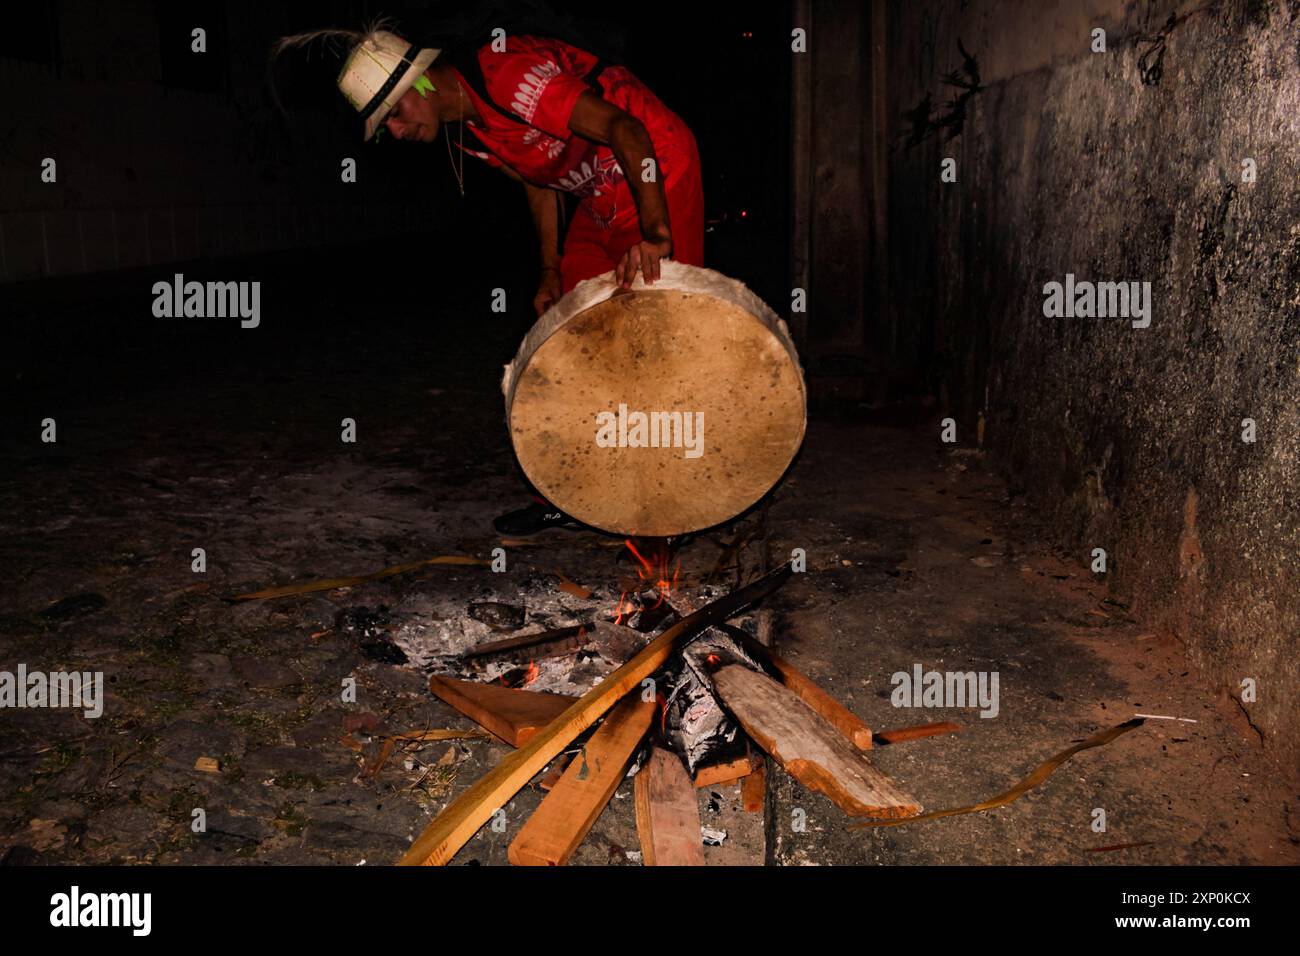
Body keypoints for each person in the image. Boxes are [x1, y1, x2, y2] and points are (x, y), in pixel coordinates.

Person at [285, 25, 705, 533]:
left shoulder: (505, 74)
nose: (394, 133)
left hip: (652, 162)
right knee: (567, 336)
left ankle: (673, 512)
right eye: (382, 127)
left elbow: (625, 129)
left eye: (392, 114)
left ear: (417, 84)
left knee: (652, 335)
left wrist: (659, 233)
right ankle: (569, 494)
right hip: (594, 190)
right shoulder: (466, 133)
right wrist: (550, 270)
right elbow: (536, 179)